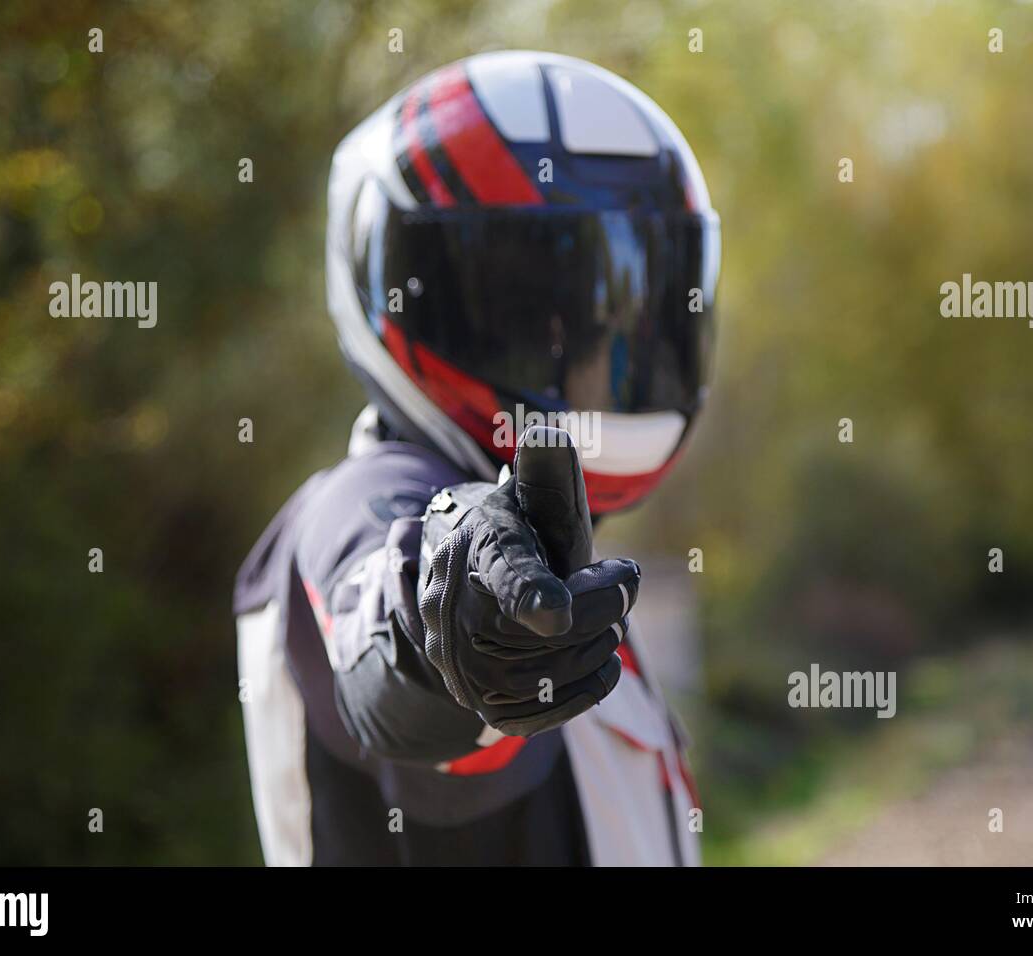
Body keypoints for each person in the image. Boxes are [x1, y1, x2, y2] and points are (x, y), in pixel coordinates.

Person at [233, 50, 719, 865]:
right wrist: (454, 634)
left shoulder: (564, 562)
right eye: (531, 309)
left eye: (615, 307)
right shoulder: (356, 504)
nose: (586, 351)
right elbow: (389, 615)